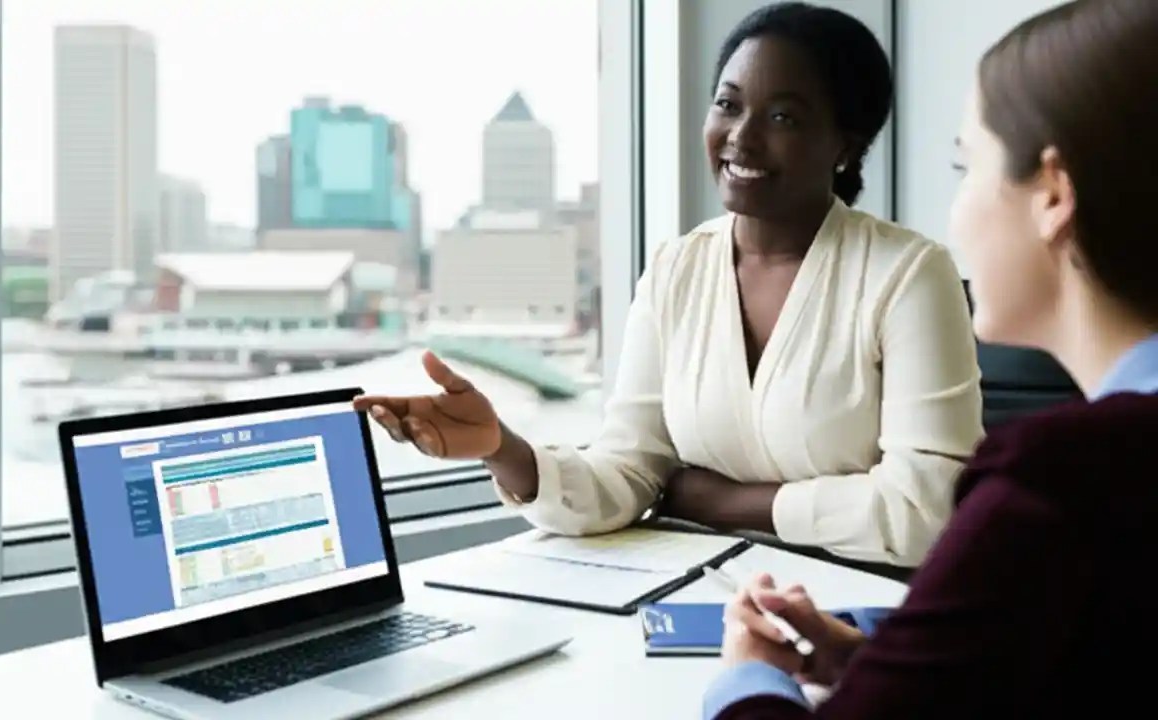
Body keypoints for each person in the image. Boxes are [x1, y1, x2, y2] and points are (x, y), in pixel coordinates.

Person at [356, 2, 983, 568]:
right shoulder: (677, 269)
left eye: (783, 115)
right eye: (728, 104)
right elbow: (628, 472)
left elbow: (926, 512)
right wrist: (502, 448)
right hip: (704, 593)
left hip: (860, 606)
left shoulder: (907, 275)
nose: (742, 136)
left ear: (845, 146)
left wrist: (729, 503)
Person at [707, 0, 1158, 717]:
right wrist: (881, 660)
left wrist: (746, 678)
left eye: (965, 165)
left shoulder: (1062, 478)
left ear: (1052, 196)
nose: (953, 212)